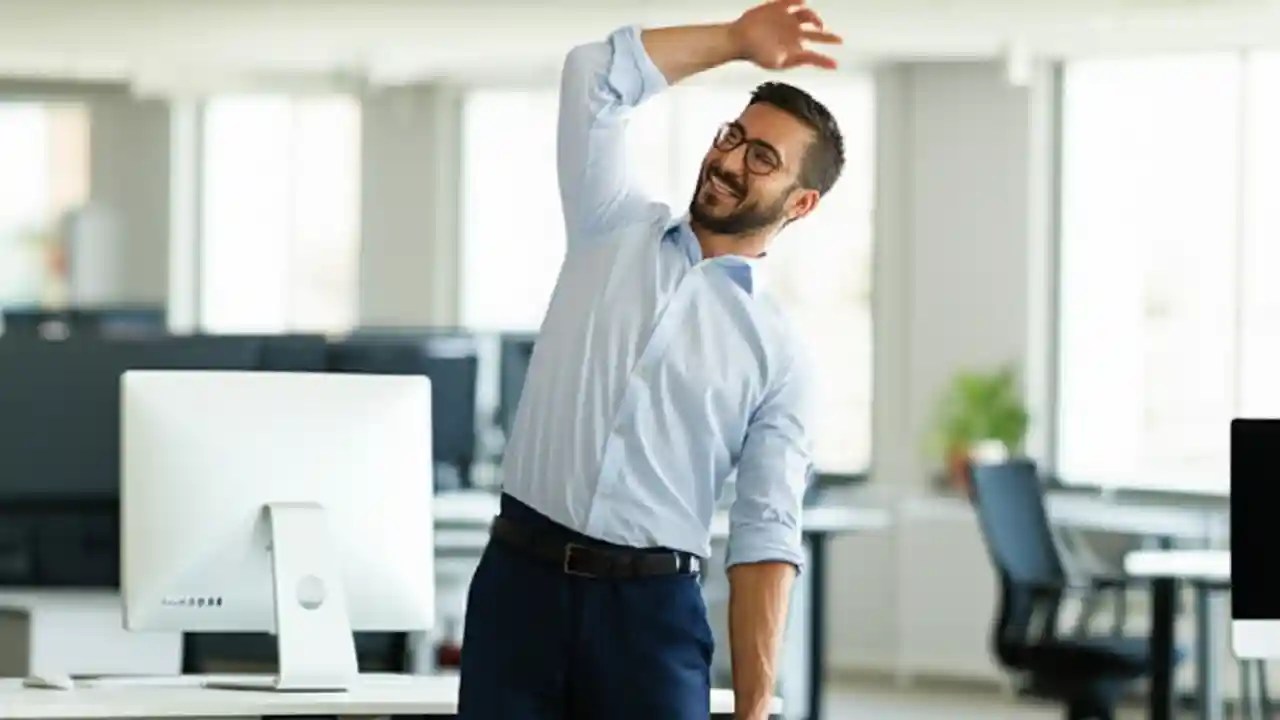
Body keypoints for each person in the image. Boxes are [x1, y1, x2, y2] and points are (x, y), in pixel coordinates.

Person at [458, 1, 845, 717]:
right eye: (733, 136)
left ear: (801, 204)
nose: (729, 160)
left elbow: (765, 533)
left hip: (650, 618)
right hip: (520, 588)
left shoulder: (782, 357)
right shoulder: (610, 226)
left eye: (763, 159)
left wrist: (755, 706)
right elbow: (592, 75)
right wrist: (733, 40)